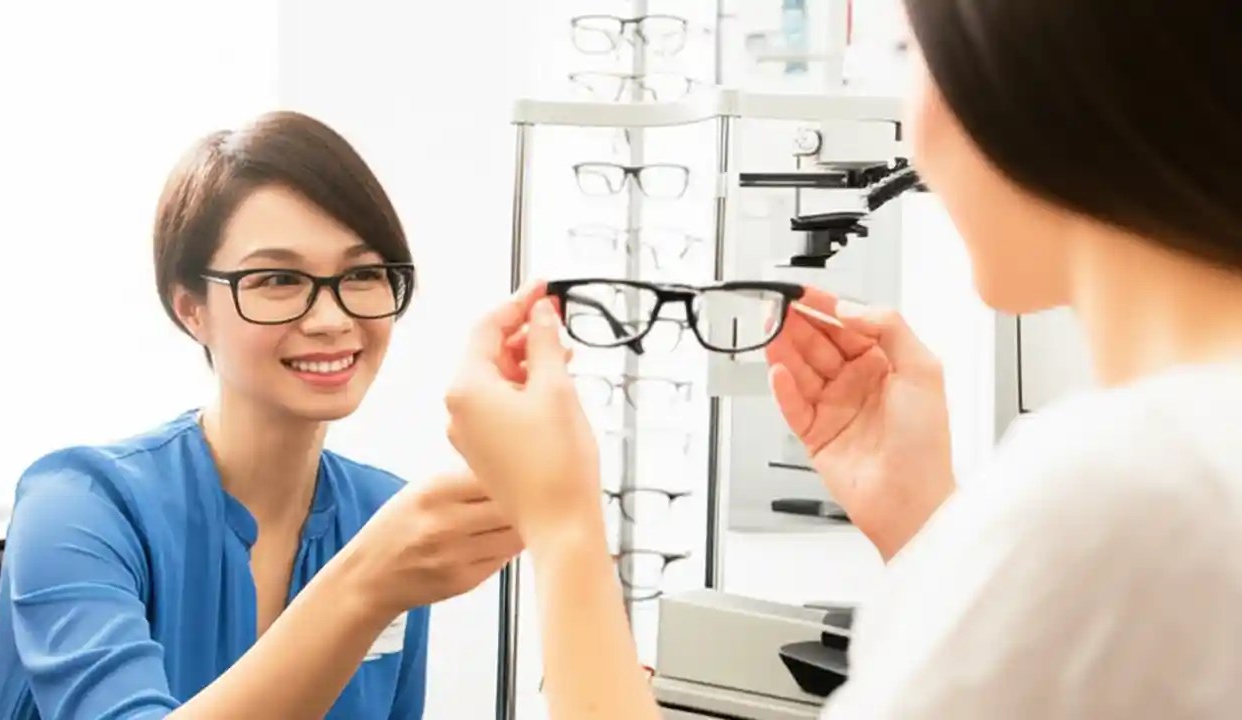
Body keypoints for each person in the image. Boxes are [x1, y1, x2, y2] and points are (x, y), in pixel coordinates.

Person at [444, 2, 1242, 719]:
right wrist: (925, 520)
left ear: (1026, 69)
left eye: (908, 51)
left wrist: (562, 527)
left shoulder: (1127, 485)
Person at [0, 111, 521, 719]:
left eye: (364, 274)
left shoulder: (383, 516)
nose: (331, 320)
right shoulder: (79, 504)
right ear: (191, 308)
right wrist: (368, 584)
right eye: (279, 279)